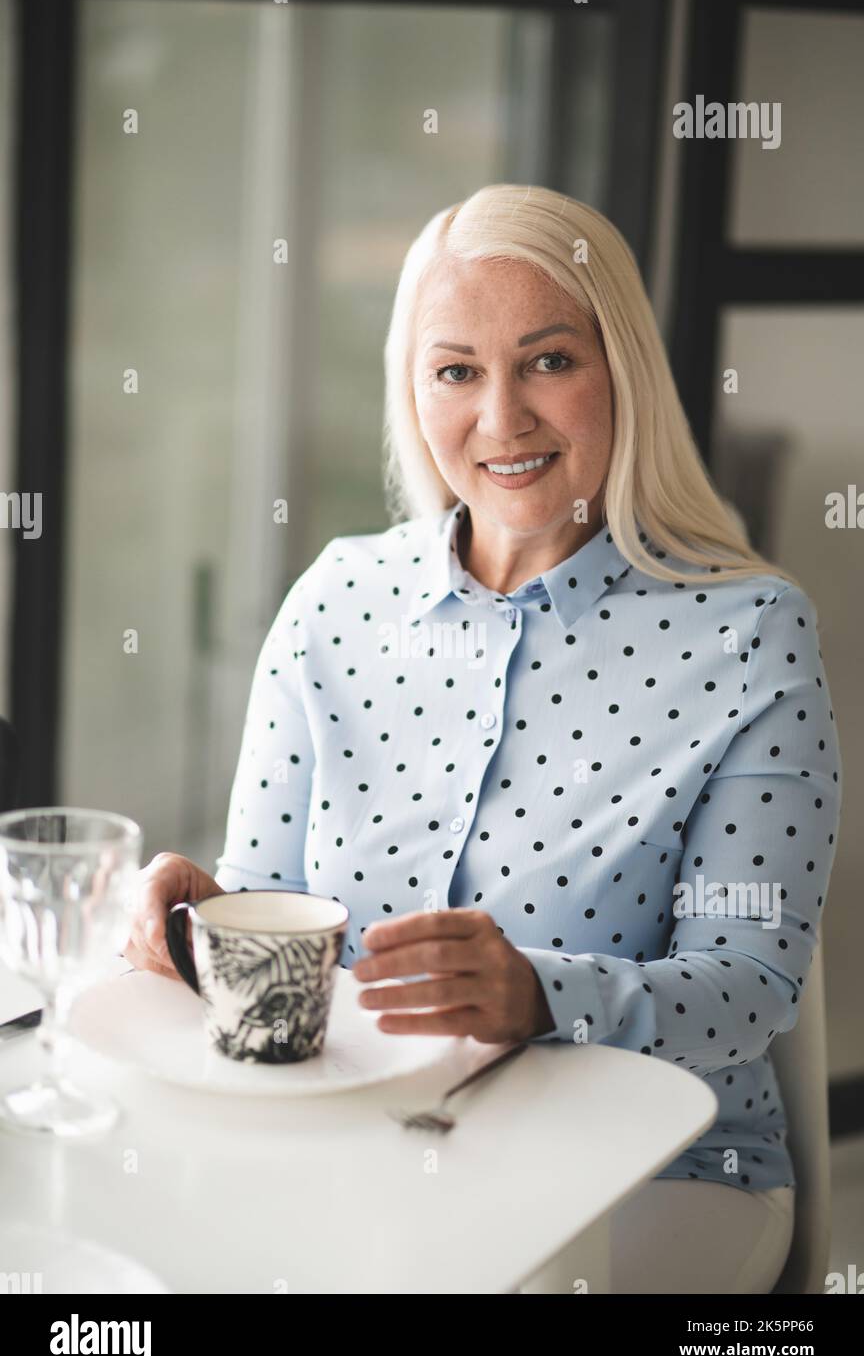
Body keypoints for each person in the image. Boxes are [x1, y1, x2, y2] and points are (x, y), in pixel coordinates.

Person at [125, 185, 840, 1293]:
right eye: (457, 370)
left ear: (624, 374)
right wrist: (198, 913)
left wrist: (542, 995)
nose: (502, 420)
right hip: (360, 1148)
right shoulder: (335, 602)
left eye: (548, 360)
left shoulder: (748, 633)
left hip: (660, 1175)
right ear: (415, 392)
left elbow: (750, 982)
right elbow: (275, 911)